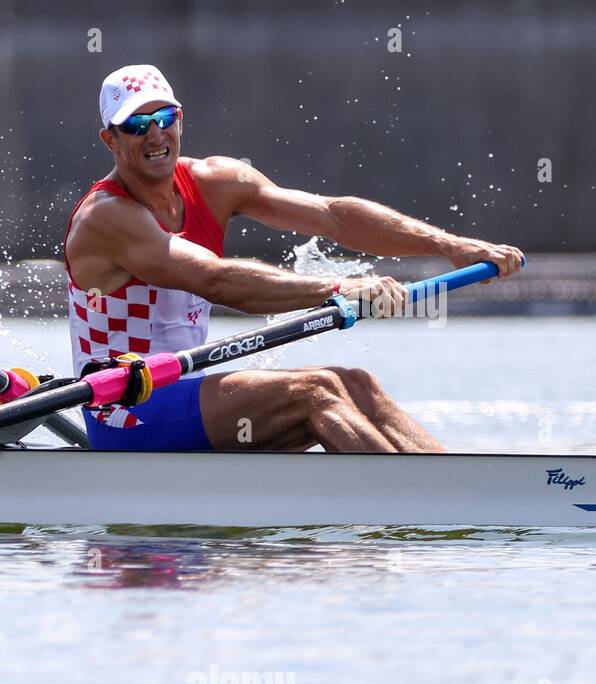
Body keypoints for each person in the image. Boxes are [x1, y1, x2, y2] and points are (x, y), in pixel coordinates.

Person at [64, 64, 525, 452]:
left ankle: (452, 489)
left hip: (183, 396)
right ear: (111, 139)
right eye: (136, 126)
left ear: (181, 119)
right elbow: (216, 280)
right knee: (317, 391)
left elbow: (334, 216)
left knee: (355, 383)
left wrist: (450, 246)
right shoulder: (108, 217)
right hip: (125, 411)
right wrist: (341, 288)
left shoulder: (216, 181)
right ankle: (419, 507)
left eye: (164, 117)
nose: (155, 134)